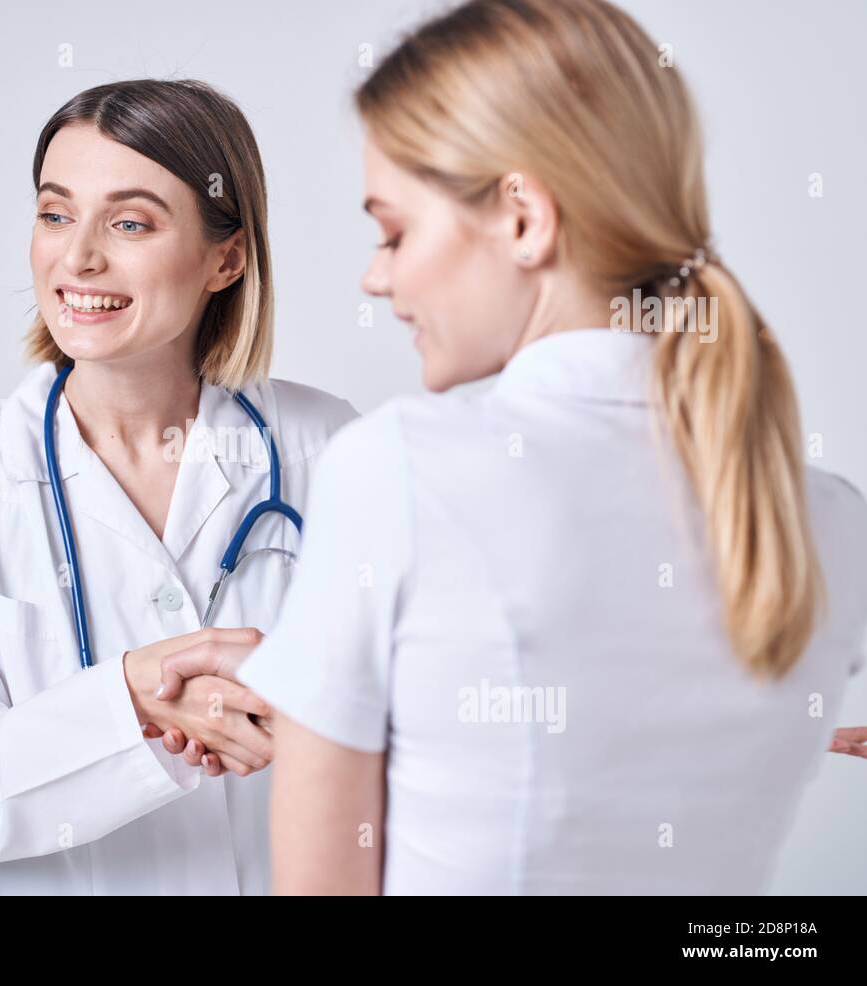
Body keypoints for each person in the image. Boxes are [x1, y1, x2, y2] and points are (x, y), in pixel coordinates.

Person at [224, 0, 867, 894]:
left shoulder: (397, 468)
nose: (378, 277)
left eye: (394, 231)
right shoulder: (829, 518)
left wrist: (316, 692)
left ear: (525, 217)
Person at [0, 79, 355, 895]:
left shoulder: (328, 448)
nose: (78, 257)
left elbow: (406, 712)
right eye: (55, 214)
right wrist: (132, 699)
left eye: (130, 223)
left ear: (226, 257)